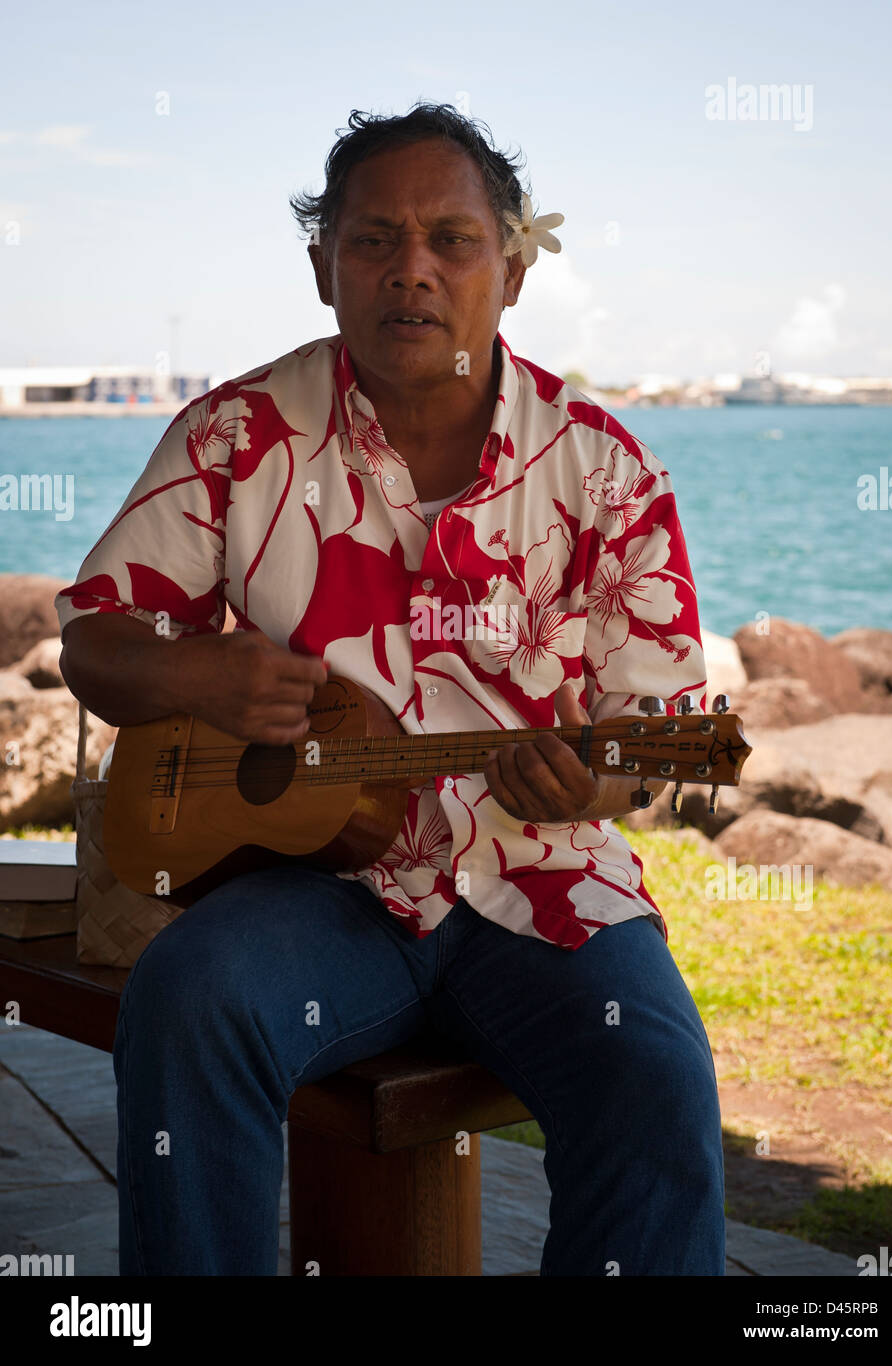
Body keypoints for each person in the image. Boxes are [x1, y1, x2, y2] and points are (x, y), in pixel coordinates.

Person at [56, 102, 725, 1277]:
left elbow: (656, 735)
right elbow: (94, 642)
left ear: (510, 270)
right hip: (313, 887)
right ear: (324, 268)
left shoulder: (605, 469)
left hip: (540, 876)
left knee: (655, 1070)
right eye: (373, 239)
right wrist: (192, 669)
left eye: (450, 240)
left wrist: (594, 781)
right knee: (189, 996)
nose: (410, 272)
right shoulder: (237, 433)